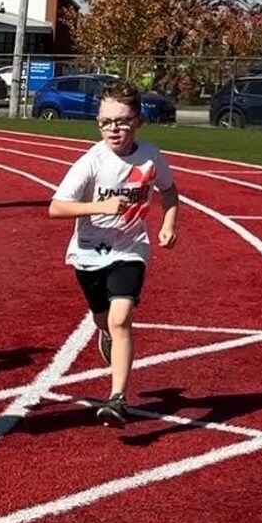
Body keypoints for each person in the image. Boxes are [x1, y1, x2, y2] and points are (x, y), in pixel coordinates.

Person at [47, 80, 179, 428]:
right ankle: (104, 332)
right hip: (89, 253)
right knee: (104, 319)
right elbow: (56, 208)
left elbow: (169, 191)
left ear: (139, 121)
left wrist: (168, 224)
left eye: (121, 121)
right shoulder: (91, 161)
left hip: (130, 248)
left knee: (121, 318)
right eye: (106, 122)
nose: (113, 129)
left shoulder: (150, 155)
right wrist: (100, 206)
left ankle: (118, 398)